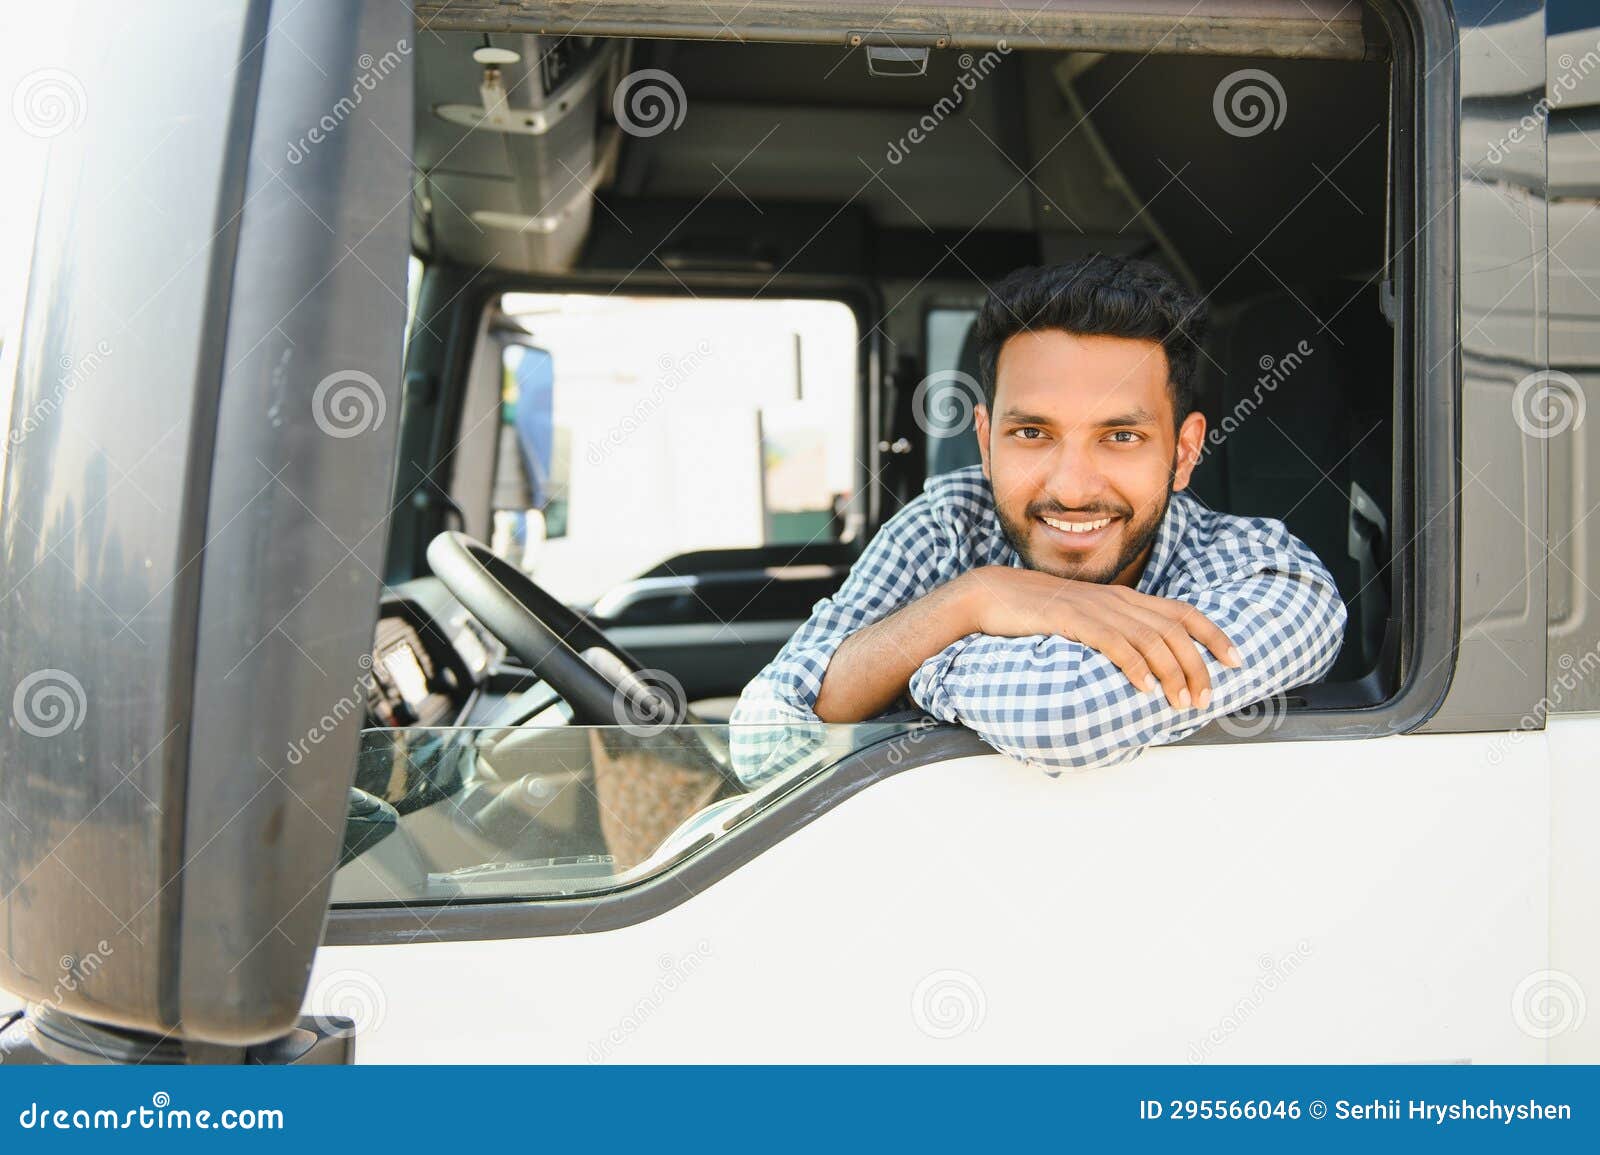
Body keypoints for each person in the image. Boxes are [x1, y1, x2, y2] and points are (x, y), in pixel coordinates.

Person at [728, 255, 1346, 784]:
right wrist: (975, 598)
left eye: (1122, 436)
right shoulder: (948, 524)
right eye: (1031, 432)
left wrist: (918, 655)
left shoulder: (1271, 577)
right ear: (986, 443)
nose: (1072, 488)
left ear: (1183, 453)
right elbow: (761, 745)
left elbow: (1067, 717)